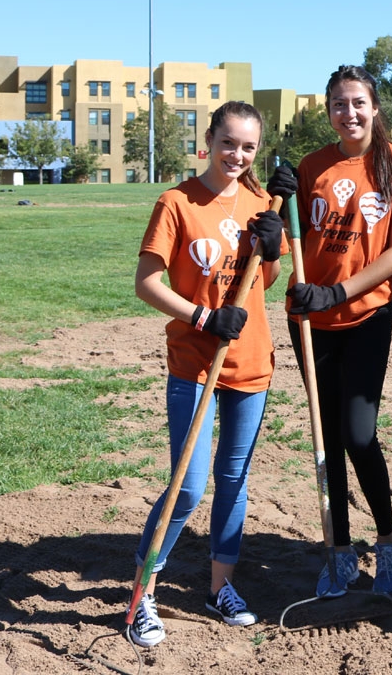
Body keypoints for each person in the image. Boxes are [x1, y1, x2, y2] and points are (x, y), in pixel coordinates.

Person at [265, 65, 392, 599]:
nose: (349, 113)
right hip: (310, 319)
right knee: (325, 438)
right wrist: (274, 206)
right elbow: (291, 237)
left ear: (374, 107)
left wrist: (339, 292)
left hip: (365, 315)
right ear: (329, 110)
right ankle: (338, 550)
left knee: (358, 434)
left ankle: (386, 540)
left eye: (358, 102)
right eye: (339, 104)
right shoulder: (312, 165)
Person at [128, 100, 287, 648]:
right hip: (195, 363)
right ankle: (143, 592)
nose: (238, 155)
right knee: (189, 485)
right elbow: (147, 282)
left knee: (234, 479)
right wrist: (202, 316)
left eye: (248, 146)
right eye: (229, 143)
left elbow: (264, 279)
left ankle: (221, 587)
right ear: (208, 142)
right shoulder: (176, 202)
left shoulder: (263, 202)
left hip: (251, 363)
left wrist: (272, 244)